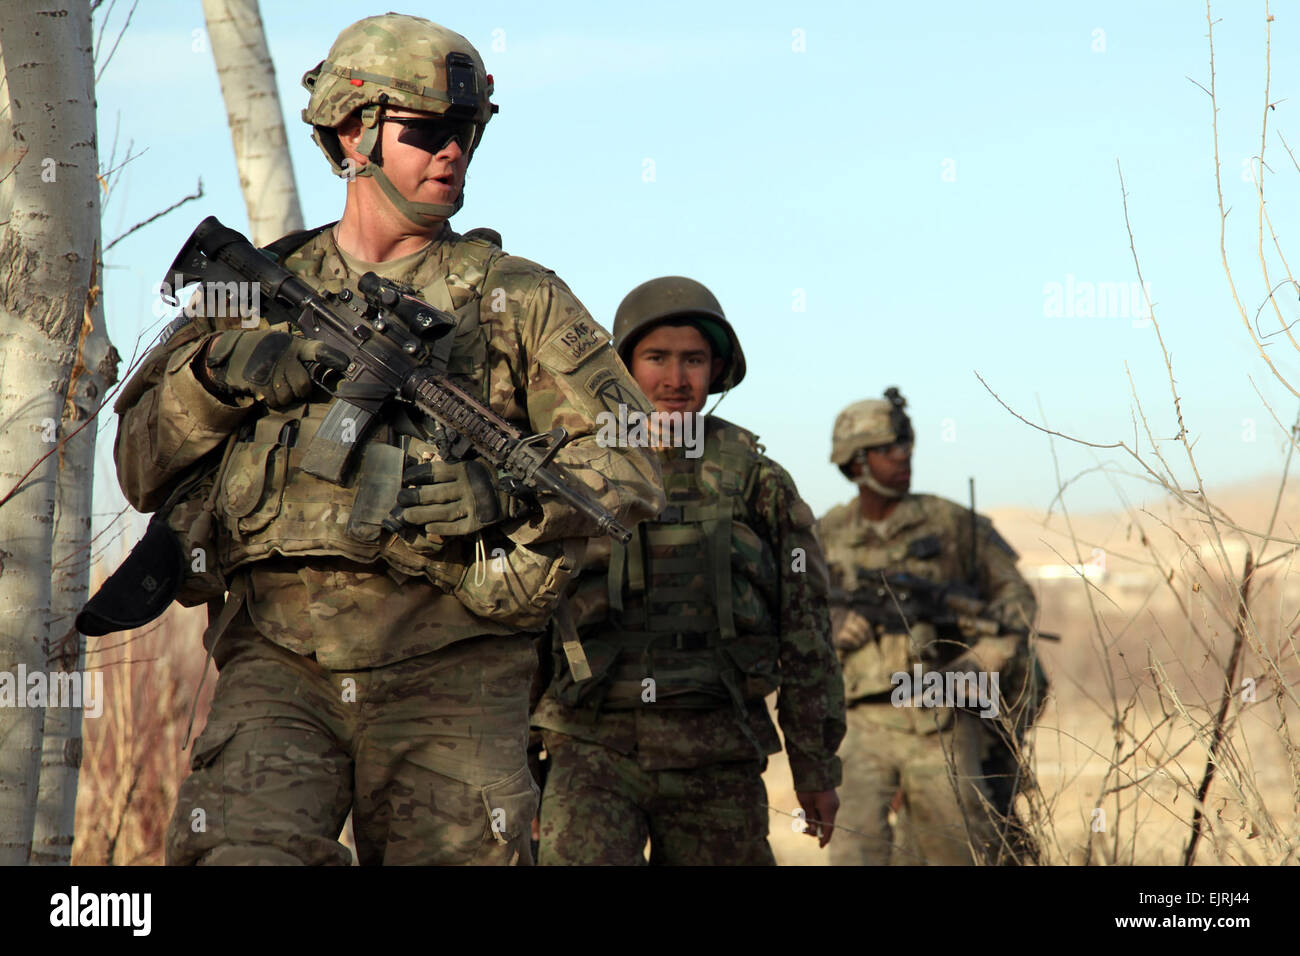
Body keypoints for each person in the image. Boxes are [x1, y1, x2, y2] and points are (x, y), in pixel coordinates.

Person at [111, 13, 663, 865]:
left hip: (454, 666)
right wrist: (224, 377)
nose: (453, 154)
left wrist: (510, 496)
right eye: (429, 132)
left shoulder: (517, 299)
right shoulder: (260, 285)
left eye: (466, 135)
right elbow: (138, 465)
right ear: (352, 133)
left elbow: (631, 461)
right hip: (278, 663)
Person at [531, 276, 845, 865]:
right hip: (590, 749)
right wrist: (520, 762)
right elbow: (530, 622)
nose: (676, 379)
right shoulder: (572, 469)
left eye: (693, 359)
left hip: (717, 758)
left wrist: (815, 767)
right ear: (622, 365)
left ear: (717, 369)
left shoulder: (758, 480)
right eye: (657, 358)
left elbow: (807, 635)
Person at [817, 388, 1043, 865]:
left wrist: (982, 660)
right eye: (887, 448)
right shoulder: (824, 536)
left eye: (906, 444)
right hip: (860, 725)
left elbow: (1017, 600)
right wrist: (832, 626)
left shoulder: (949, 523)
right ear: (856, 462)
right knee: (856, 853)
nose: (903, 456)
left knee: (958, 852)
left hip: (939, 719)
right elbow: (791, 616)